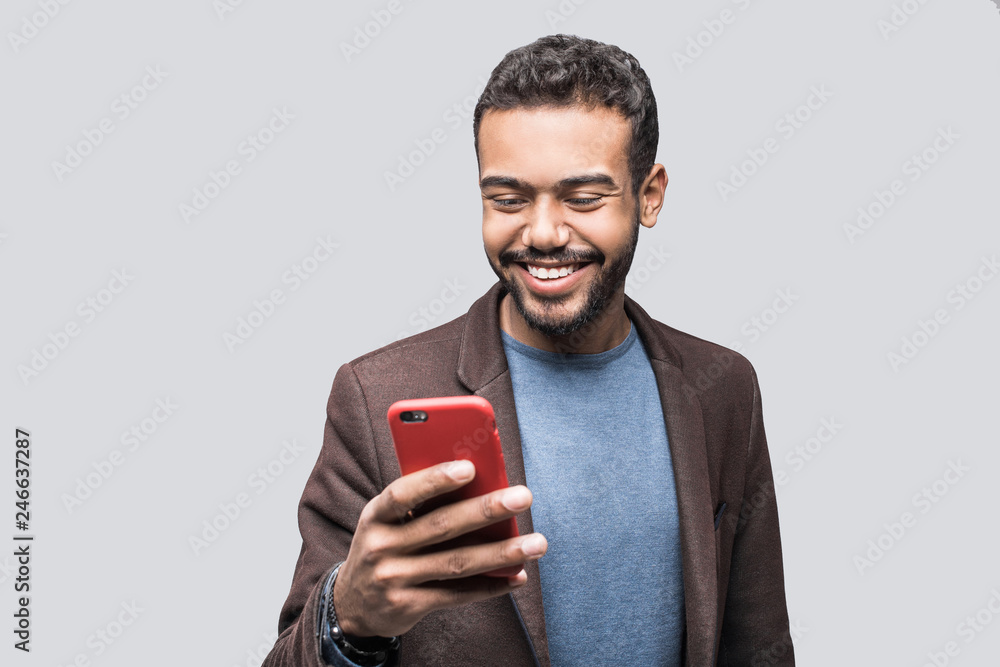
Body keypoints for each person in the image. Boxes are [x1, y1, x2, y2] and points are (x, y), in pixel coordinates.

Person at [262, 34, 794, 667]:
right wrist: (347, 618)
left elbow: (759, 646)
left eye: (583, 198)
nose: (542, 233)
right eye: (507, 199)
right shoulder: (377, 395)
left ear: (649, 195)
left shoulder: (724, 388)